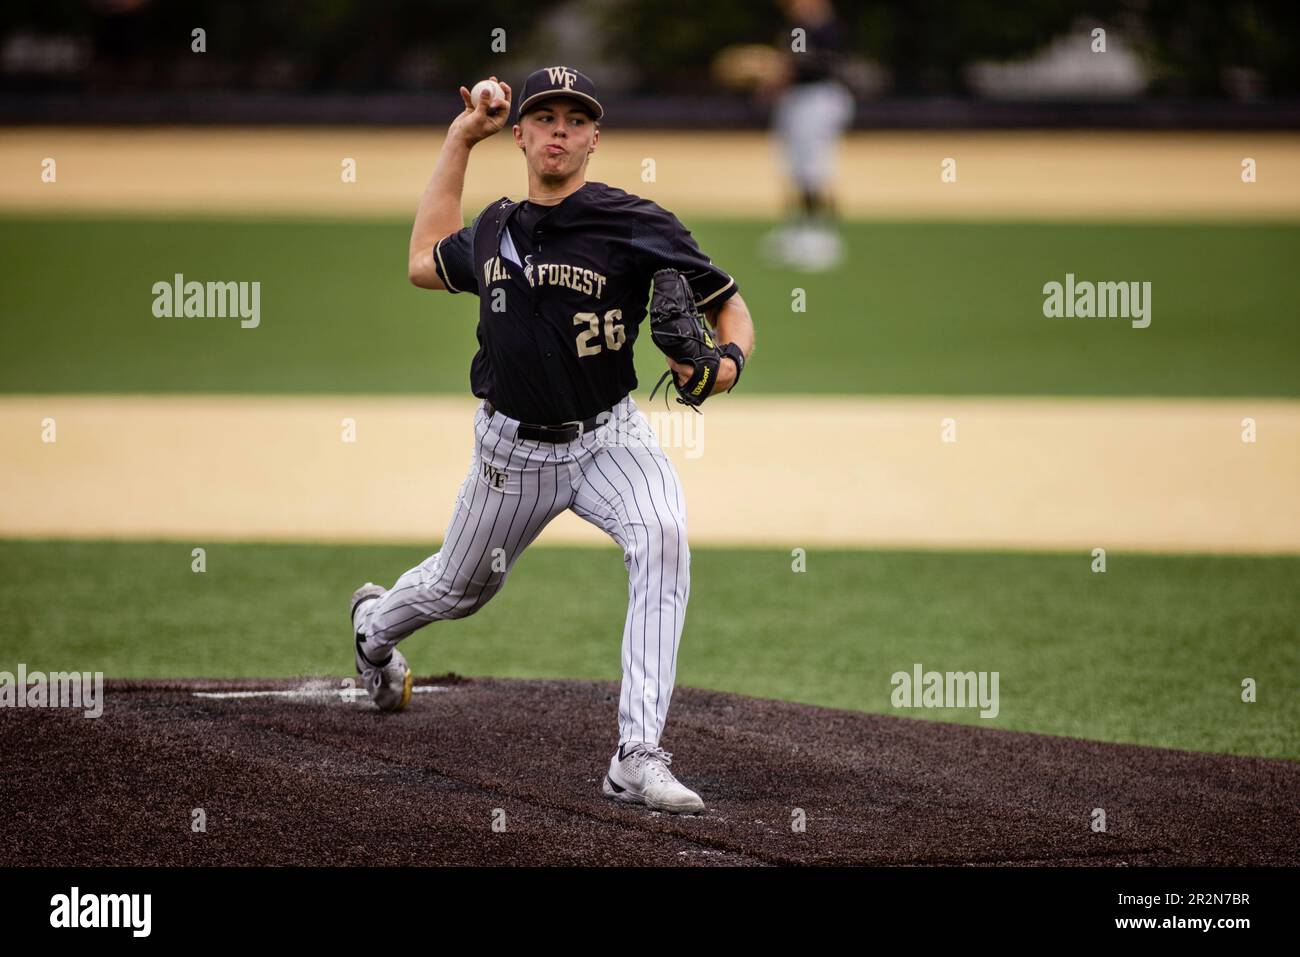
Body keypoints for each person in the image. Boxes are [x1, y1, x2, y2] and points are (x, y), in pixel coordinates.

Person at [349, 67, 755, 815]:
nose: (559, 130)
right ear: (522, 134)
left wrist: (725, 365)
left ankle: (637, 756)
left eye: (575, 119)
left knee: (663, 535)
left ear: (595, 138)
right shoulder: (494, 228)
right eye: (545, 117)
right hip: (513, 456)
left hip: (611, 439)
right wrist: (458, 136)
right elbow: (420, 261)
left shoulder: (636, 223)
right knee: (457, 588)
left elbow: (727, 304)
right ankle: (373, 628)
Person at [759, 0, 855, 271]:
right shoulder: (799, 28)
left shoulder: (824, 29)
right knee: (794, 168)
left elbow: (809, 66)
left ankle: (821, 236)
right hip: (798, 101)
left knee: (814, 168)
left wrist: (773, 74)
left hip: (817, 99)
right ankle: (798, 230)